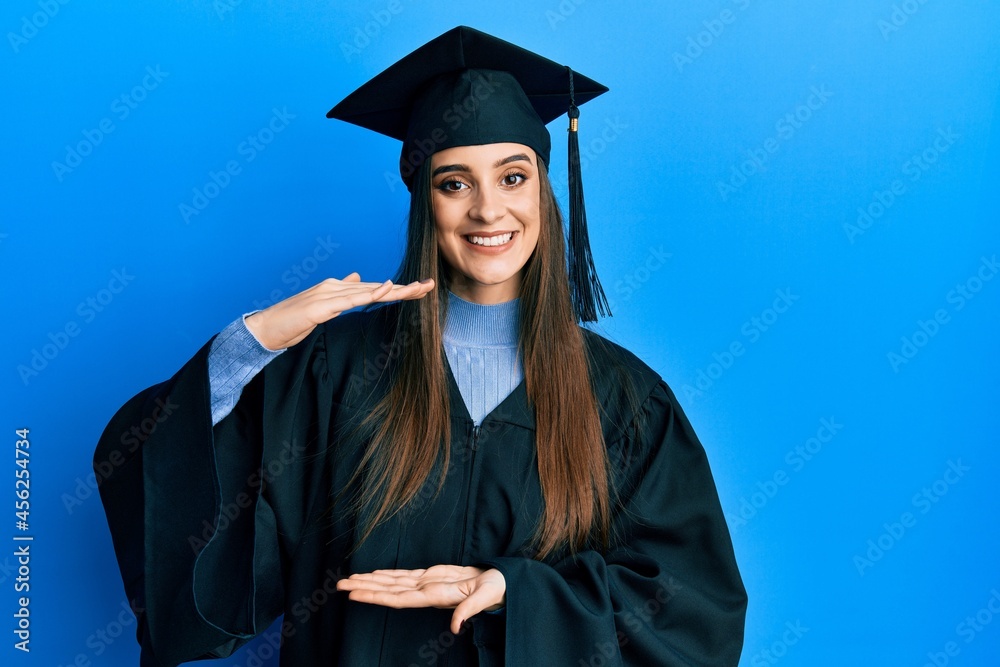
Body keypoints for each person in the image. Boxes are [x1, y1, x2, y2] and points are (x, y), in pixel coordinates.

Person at [95, 25, 747, 667]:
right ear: (424, 202)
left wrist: (516, 593)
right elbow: (179, 503)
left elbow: (694, 612)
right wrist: (252, 342)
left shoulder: (624, 399)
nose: (489, 210)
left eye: (513, 177)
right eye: (455, 182)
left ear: (546, 193)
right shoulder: (334, 374)